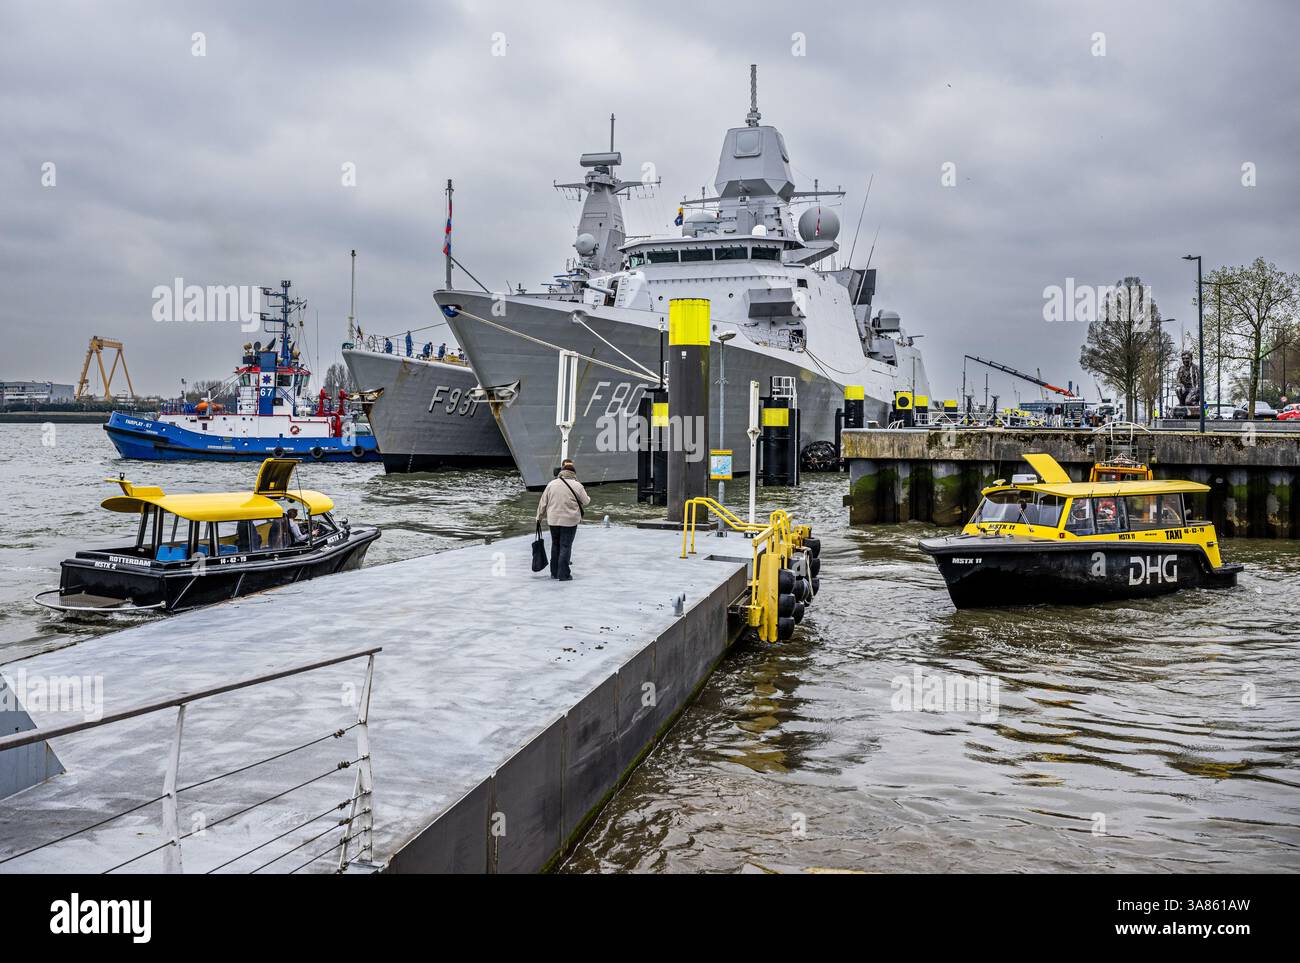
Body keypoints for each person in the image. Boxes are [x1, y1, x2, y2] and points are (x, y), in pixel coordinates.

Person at [535, 459, 590, 581]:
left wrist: (538, 517)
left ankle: (554, 572)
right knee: (565, 546)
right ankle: (564, 574)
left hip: (553, 520)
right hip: (570, 521)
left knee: (555, 545)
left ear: (562, 472)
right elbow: (586, 501)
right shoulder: (577, 485)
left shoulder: (551, 484)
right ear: (574, 474)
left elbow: (543, 503)